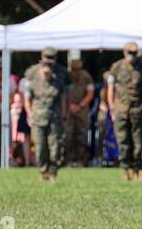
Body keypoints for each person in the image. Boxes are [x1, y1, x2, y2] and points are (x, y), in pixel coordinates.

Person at [107, 42, 142, 181]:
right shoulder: (116, 67)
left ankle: (139, 169)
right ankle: (126, 169)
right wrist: (112, 108)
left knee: (139, 143)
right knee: (123, 141)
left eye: (134, 53)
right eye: (129, 53)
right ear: (124, 52)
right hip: (121, 109)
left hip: (139, 109)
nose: (131, 56)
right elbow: (110, 89)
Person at [24, 48, 64, 181]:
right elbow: (27, 97)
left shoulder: (61, 74)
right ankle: (42, 171)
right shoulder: (32, 73)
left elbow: (64, 98)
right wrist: (29, 114)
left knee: (55, 146)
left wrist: (65, 113)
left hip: (55, 117)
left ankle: (53, 172)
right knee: (40, 146)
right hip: (38, 116)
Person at [63, 52, 95, 168]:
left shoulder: (86, 76)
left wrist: (80, 105)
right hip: (68, 110)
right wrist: (69, 105)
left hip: (81, 111)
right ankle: (68, 160)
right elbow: (63, 93)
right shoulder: (66, 75)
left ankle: (81, 160)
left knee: (81, 135)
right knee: (68, 135)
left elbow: (90, 93)